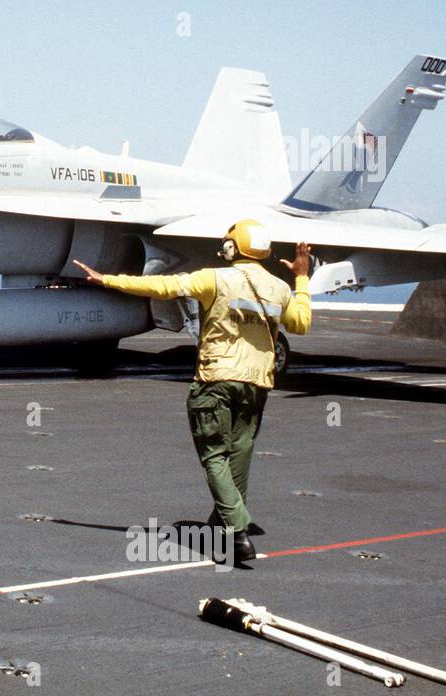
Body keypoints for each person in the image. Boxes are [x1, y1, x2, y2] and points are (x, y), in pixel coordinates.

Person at [73, 220, 312, 564]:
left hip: (215, 381)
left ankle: (237, 530)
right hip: (257, 384)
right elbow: (301, 323)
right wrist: (301, 277)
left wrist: (106, 279)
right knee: (237, 456)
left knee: (214, 455)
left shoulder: (214, 278)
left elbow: (163, 287)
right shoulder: (279, 288)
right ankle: (223, 523)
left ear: (232, 248)